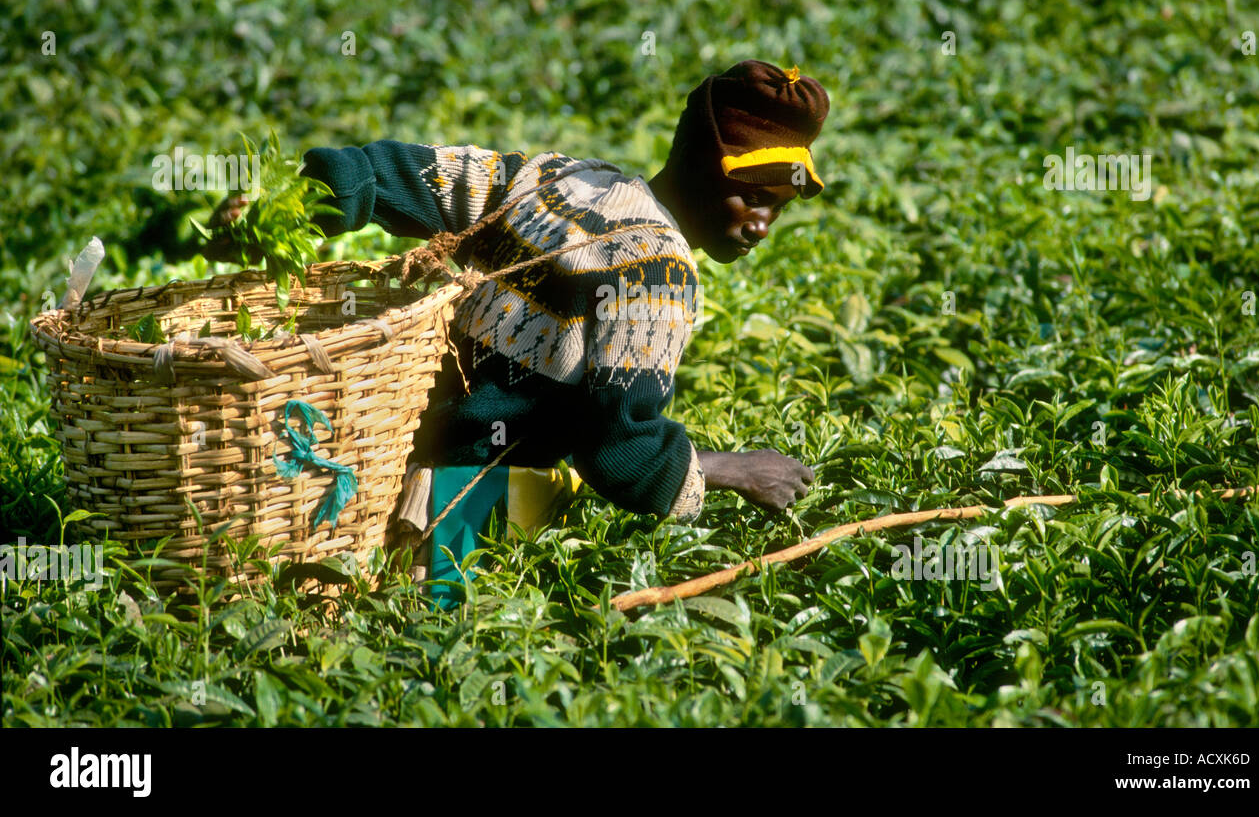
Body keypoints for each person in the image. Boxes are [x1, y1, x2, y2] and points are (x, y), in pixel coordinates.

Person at [205, 59, 829, 599]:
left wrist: (297, 199)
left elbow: (396, 173)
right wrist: (733, 470)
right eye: (753, 197)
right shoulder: (656, 269)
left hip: (384, 464)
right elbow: (621, 450)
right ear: (697, 161)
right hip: (467, 512)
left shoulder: (558, 177)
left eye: (779, 206)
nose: (762, 224)